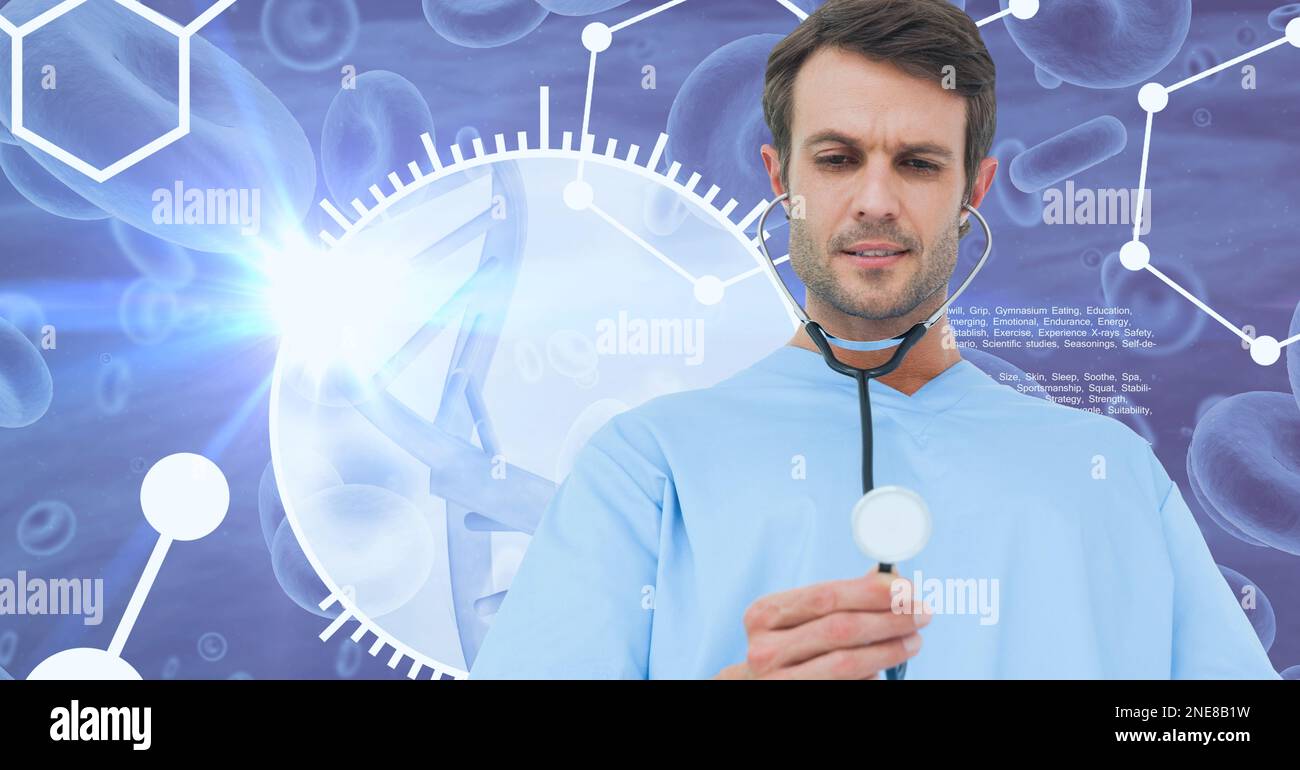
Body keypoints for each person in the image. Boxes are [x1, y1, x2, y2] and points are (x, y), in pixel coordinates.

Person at [468, 0, 1279, 679]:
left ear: (975, 190)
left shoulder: (1114, 477)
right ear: (781, 179)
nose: (876, 200)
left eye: (920, 163)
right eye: (838, 158)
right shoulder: (646, 467)